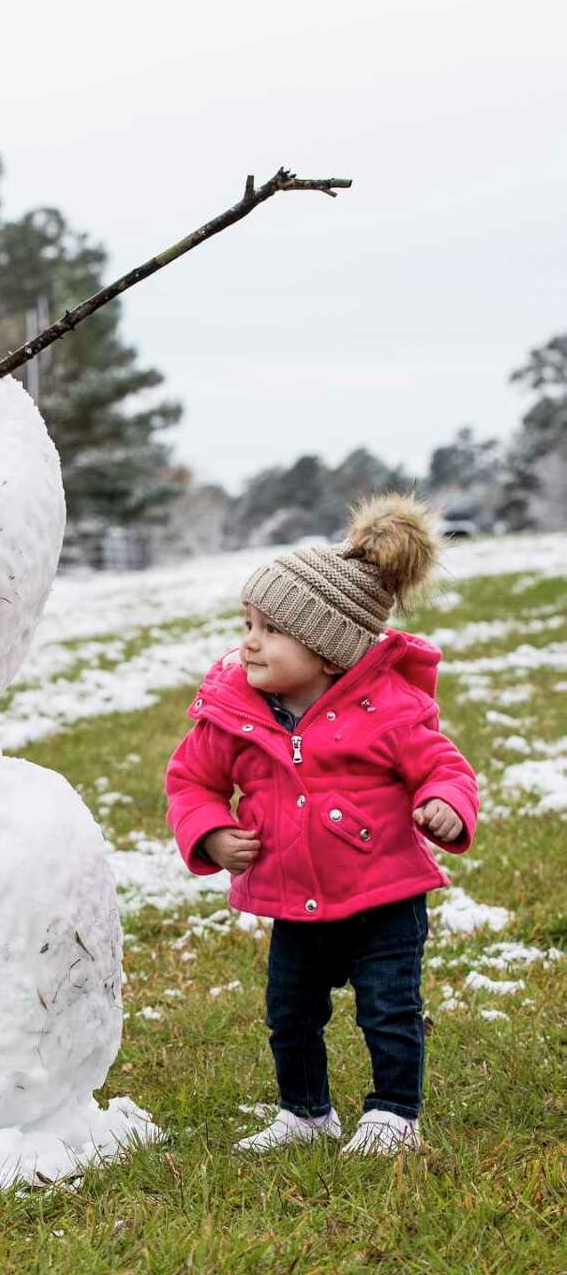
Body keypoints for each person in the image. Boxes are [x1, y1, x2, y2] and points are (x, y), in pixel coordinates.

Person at [164, 495, 478, 1157]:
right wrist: (212, 833)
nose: (248, 640)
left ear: (331, 649)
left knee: (388, 1011)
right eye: (247, 622)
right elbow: (192, 780)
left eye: (271, 629)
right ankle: (306, 1114)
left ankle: (394, 1113)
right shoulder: (236, 714)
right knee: (291, 1016)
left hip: (385, 896)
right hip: (292, 899)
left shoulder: (391, 710)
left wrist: (447, 805)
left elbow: (444, 768)